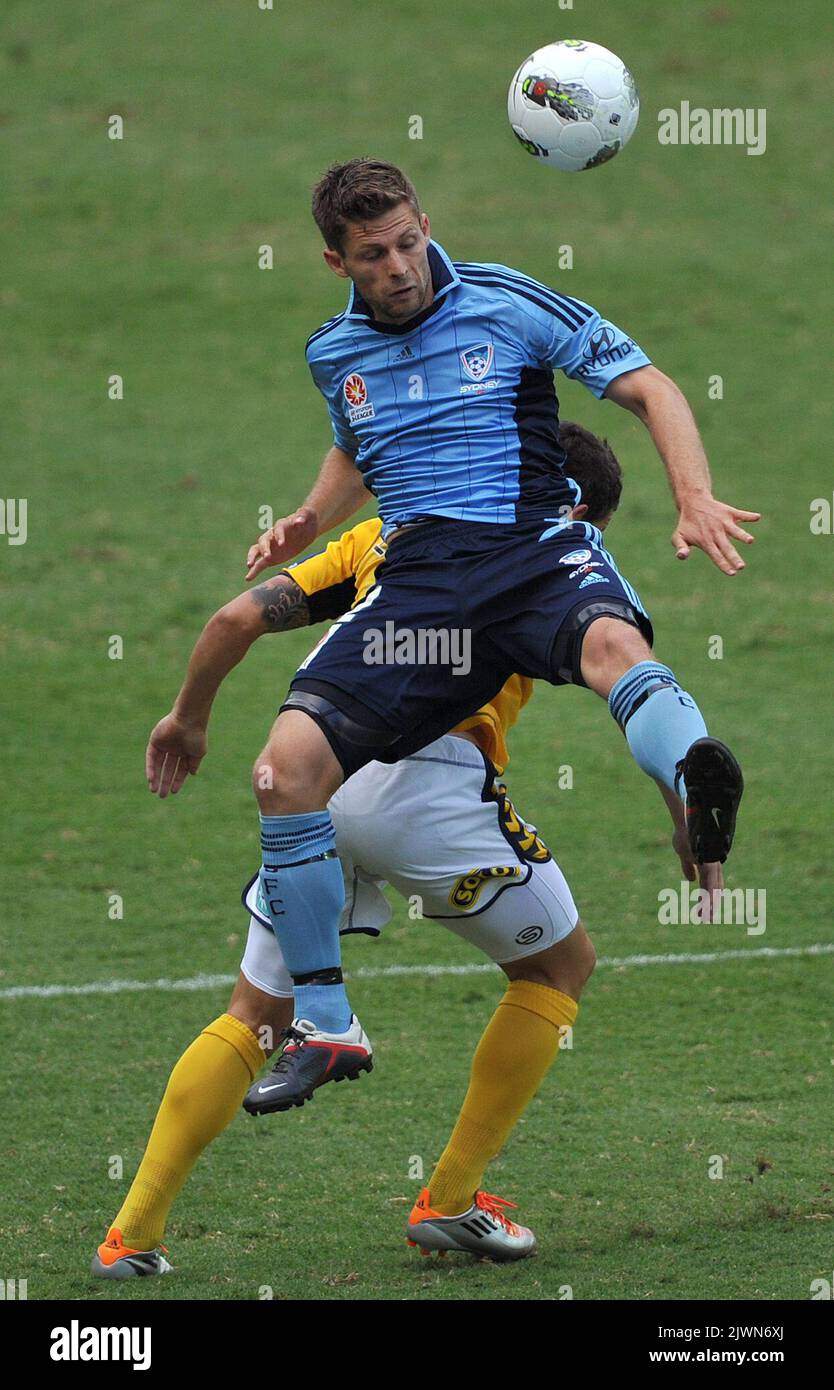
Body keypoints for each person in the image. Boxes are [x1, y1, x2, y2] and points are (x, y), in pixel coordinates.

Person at [93, 428, 715, 1274]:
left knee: (255, 1012)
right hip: (432, 787)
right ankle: (450, 1200)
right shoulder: (554, 552)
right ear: (581, 508)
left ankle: (131, 1235)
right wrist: (682, 806)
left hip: (313, 775)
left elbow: (237, 616)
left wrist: (187, 717)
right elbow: (620, 667)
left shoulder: (392, 528)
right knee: (558, 970)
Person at [232, 158, 755, 1106]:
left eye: (406, 242)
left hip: (529, 551)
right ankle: (327, 1022)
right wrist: (312, 515)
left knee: (614, 652)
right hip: (423, 588)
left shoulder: (507, 301)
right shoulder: (332, 352)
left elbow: (648, 385)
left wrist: (695, 495)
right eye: (373, 255)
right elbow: (361, 436)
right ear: (335, 261)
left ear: (425, 223)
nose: (399, 266)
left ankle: (693, 777)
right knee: (284, 770)